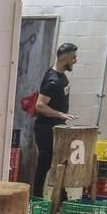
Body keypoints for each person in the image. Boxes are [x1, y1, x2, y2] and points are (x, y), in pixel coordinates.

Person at [33, 43, 78, 200]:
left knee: (59, 162)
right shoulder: (52, 80)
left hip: (56, 127)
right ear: (64, 58)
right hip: (46, 128)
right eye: (73, 57)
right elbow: (39, 105)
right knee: (45, 163)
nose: (75, 60)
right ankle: (37, 198)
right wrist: (60, 114)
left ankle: (61, 197)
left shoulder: (60, 76)